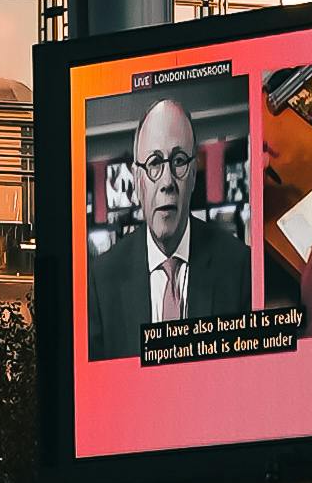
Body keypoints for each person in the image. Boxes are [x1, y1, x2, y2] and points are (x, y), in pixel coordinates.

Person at [86, 93, 250, 357]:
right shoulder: (101, 280)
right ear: (137, 180)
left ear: (194, 175)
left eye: (178, 162)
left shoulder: (240, 265)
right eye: (153, 164)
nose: (167, 182)